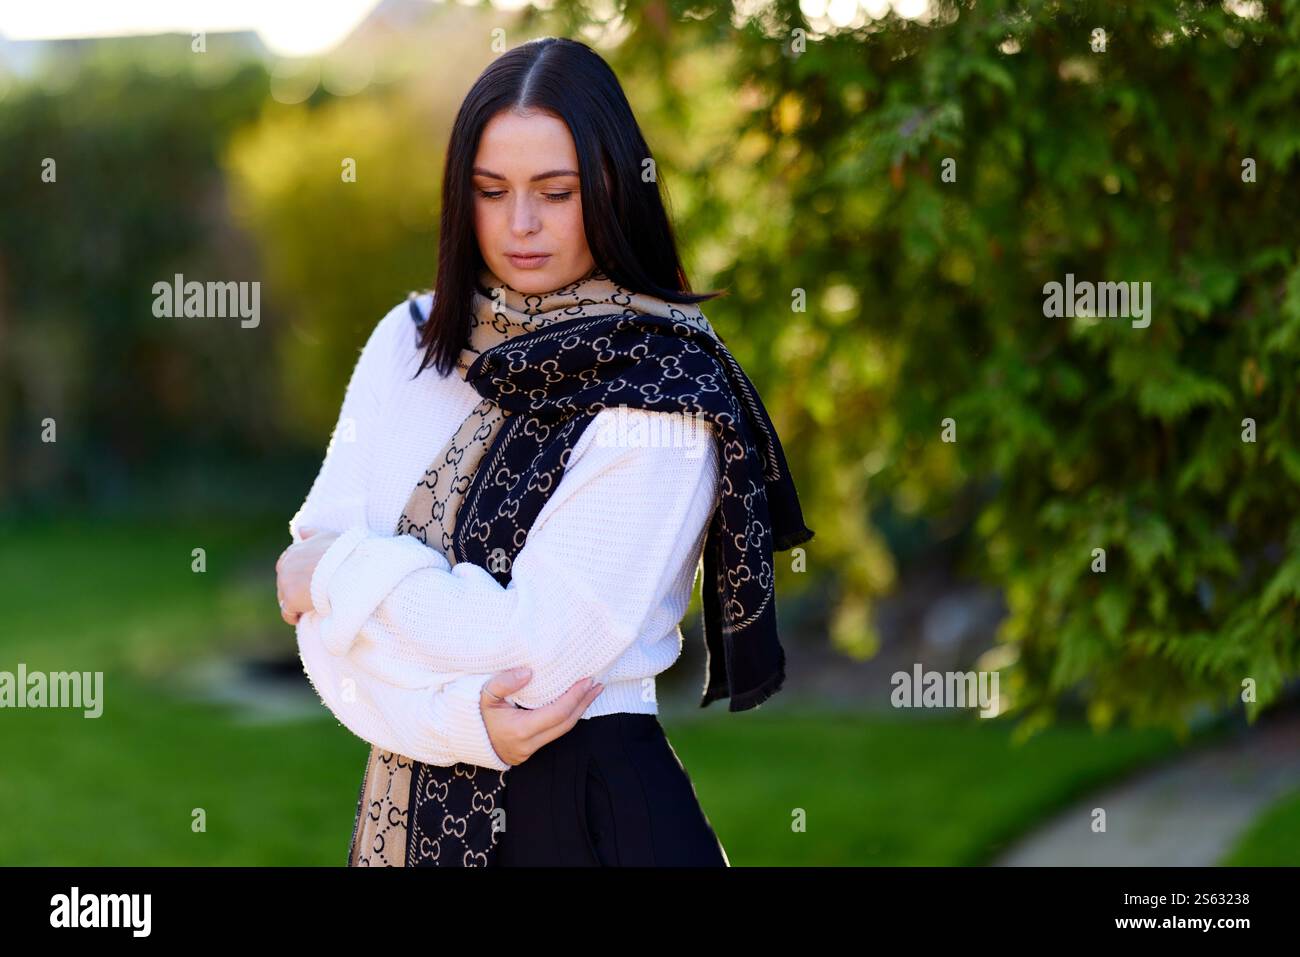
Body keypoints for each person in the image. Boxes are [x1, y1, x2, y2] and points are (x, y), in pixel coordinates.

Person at [274, 36, 812, 867]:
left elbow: (532, 647)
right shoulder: (410, 341)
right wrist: (459, 724)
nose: (520, 225)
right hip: (400, 812)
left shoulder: (662, 388)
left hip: (589, 813)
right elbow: (320, 637)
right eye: (491, 192)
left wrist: (343, 575)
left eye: (555, 193)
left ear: (612, 190)